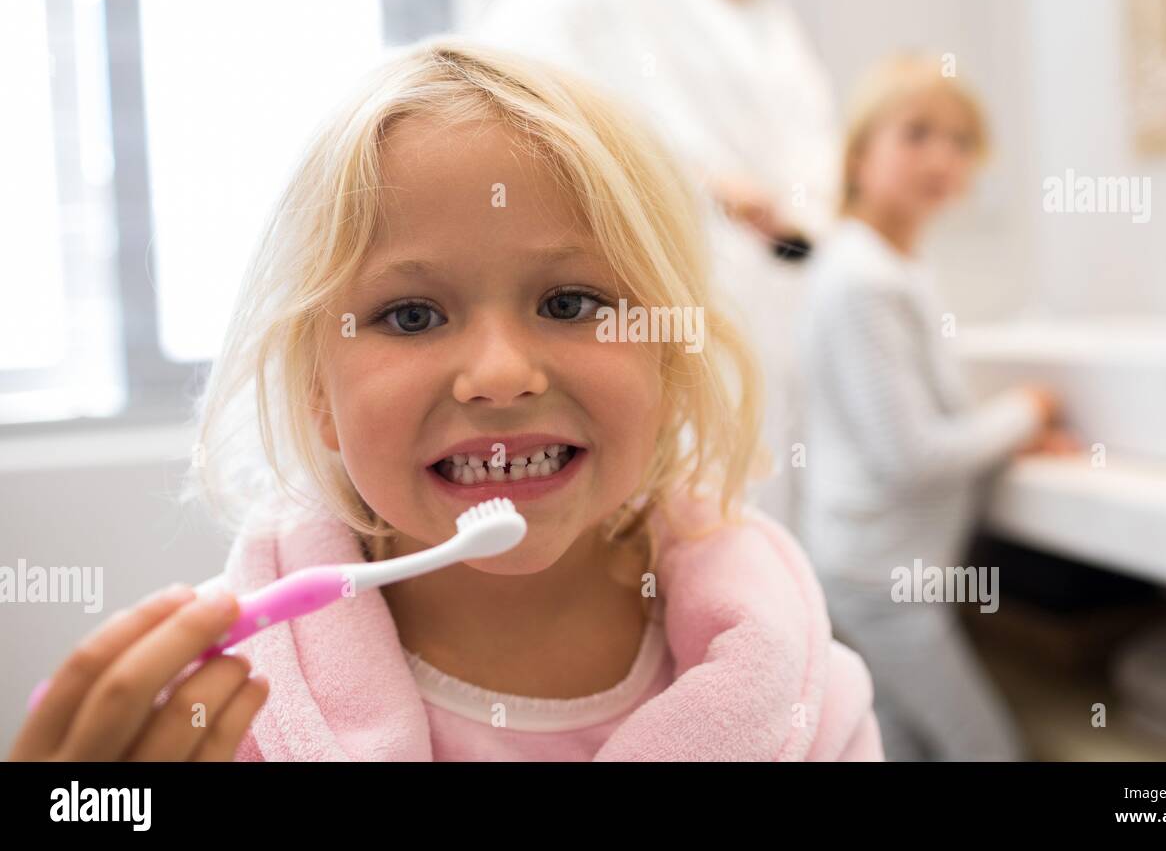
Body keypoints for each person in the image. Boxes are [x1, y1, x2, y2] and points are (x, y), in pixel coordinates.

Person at [9, 39, 881, 761]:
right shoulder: (222, 717)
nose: (499, 374)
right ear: (318, 391)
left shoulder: (807, 700)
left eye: (570, 303)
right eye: (412, 314)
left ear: (671, 356)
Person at [470, 0, 840, 532]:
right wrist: (708, 182)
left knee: (765, 482)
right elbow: (526, 77)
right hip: (693, 255)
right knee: (697, 483)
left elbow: (809, 128)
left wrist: (802, 210)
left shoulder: (754, 5)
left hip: (781, 276)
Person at [800, 53, 1076, 761]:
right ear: (860, 154)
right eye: (917, 133)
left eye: (960, 141)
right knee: (986, 750)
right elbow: (910, 457)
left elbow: (915, 419)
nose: (942, 156)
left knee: (896, 742)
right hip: (880, 576)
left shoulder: (890, 266)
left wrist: (1005, 438)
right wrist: (1024, 411)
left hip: (873, 562)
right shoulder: (866, 281)